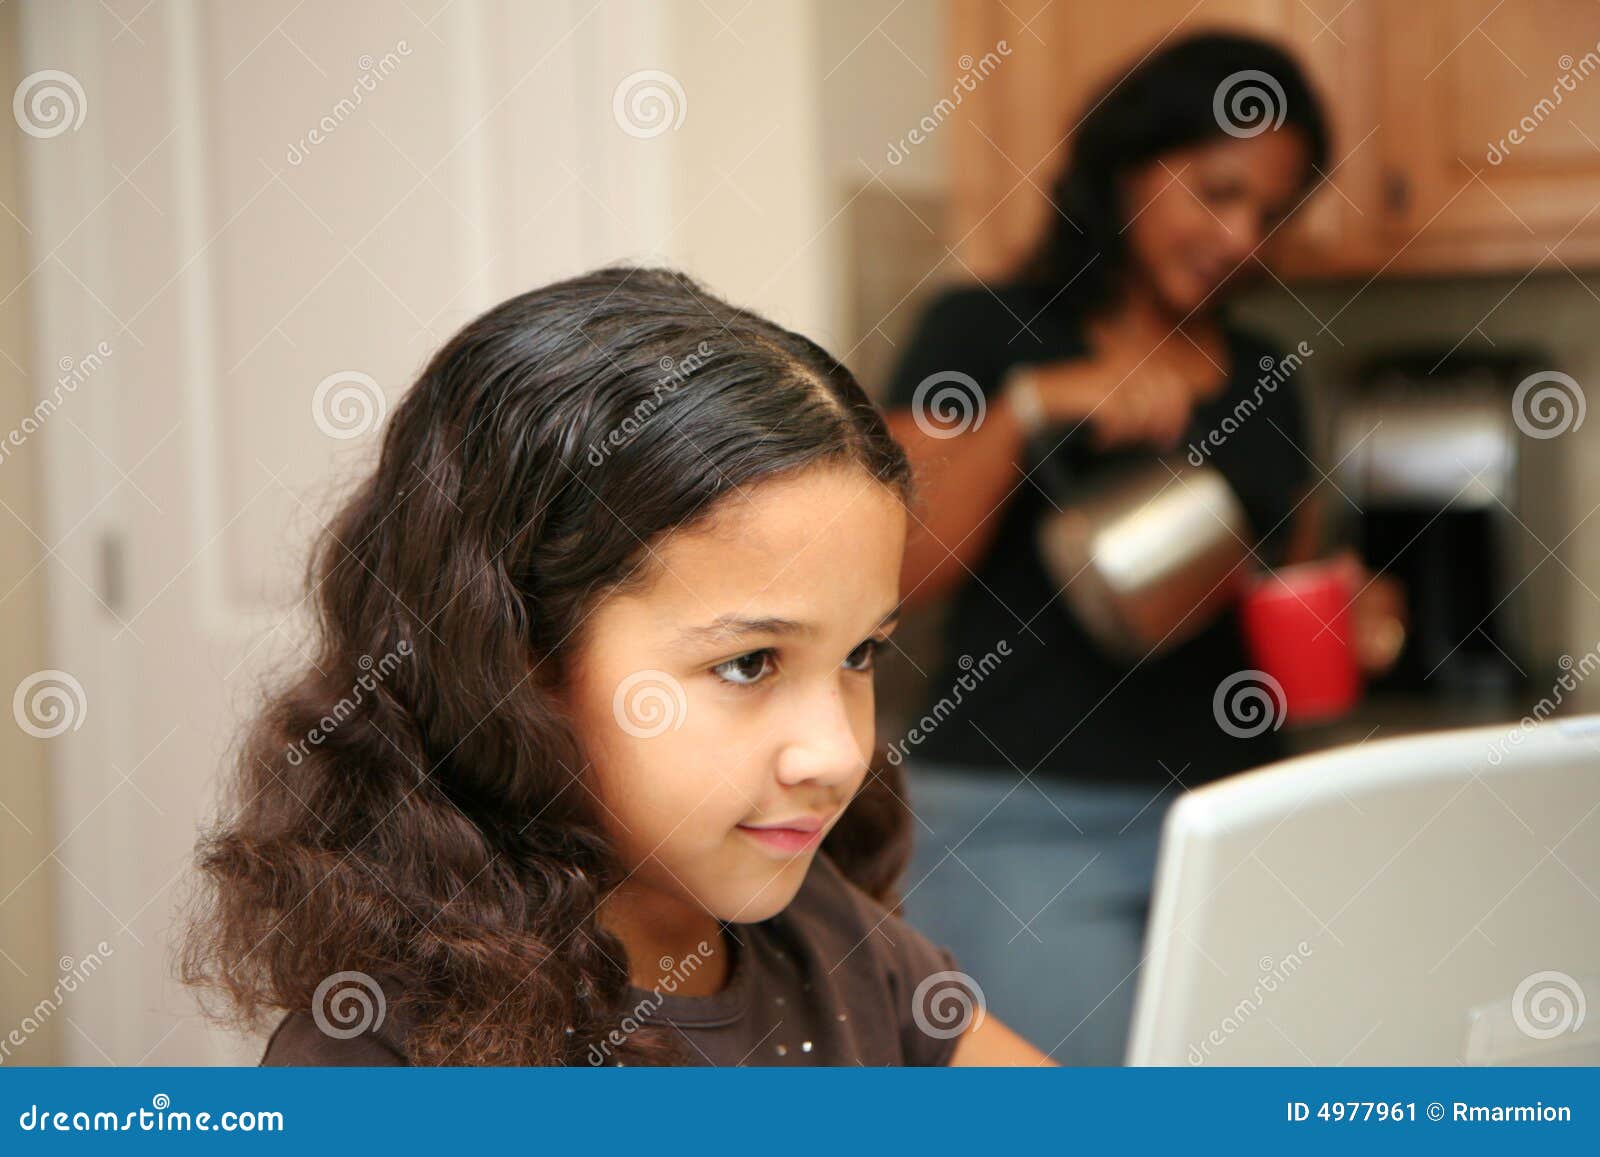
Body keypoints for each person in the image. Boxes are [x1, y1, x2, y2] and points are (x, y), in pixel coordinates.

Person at [181, 266, 1052, 1066]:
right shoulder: (381, 1055)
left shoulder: (836, 942)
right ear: (516, 658)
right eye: (749, 663)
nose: (835, 754)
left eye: (862, 653)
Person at [880, 31, 1405, 1064]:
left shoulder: (1267, 369)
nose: (1241, 235)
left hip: (1236, 823)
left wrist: (1355, 619)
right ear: (1127, 167)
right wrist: (1032, 406)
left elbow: (1281, 591)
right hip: (1019, 820)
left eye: (1270, 211)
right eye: (1215, 192)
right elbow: (894, 572)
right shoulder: (980, 332)